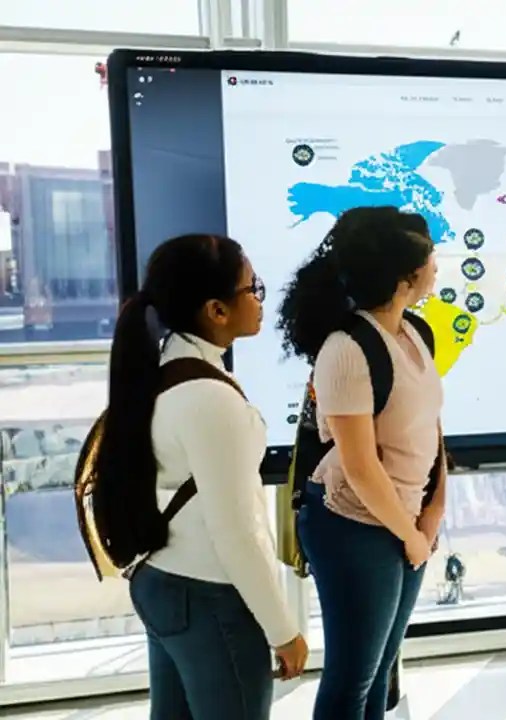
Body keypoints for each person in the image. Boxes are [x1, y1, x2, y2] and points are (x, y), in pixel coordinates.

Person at [92, 234, 307, 719]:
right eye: (253, 289)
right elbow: (235, 532)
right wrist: (282, 630)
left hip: (166, 578)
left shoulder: (168, 366)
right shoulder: (210, 398)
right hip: (210, 596)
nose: (259, 301)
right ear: (216, 310)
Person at [278, 206, 447, 719]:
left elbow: (431, 429)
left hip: (402, 523)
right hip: (354, 527)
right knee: (353, 679)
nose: (437, 266)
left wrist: (433, 510)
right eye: (430, 258)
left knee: (378, 674)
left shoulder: (415, 332)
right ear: (405, 277)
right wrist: (409, 534)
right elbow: (359, 465)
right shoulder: (346, 349)